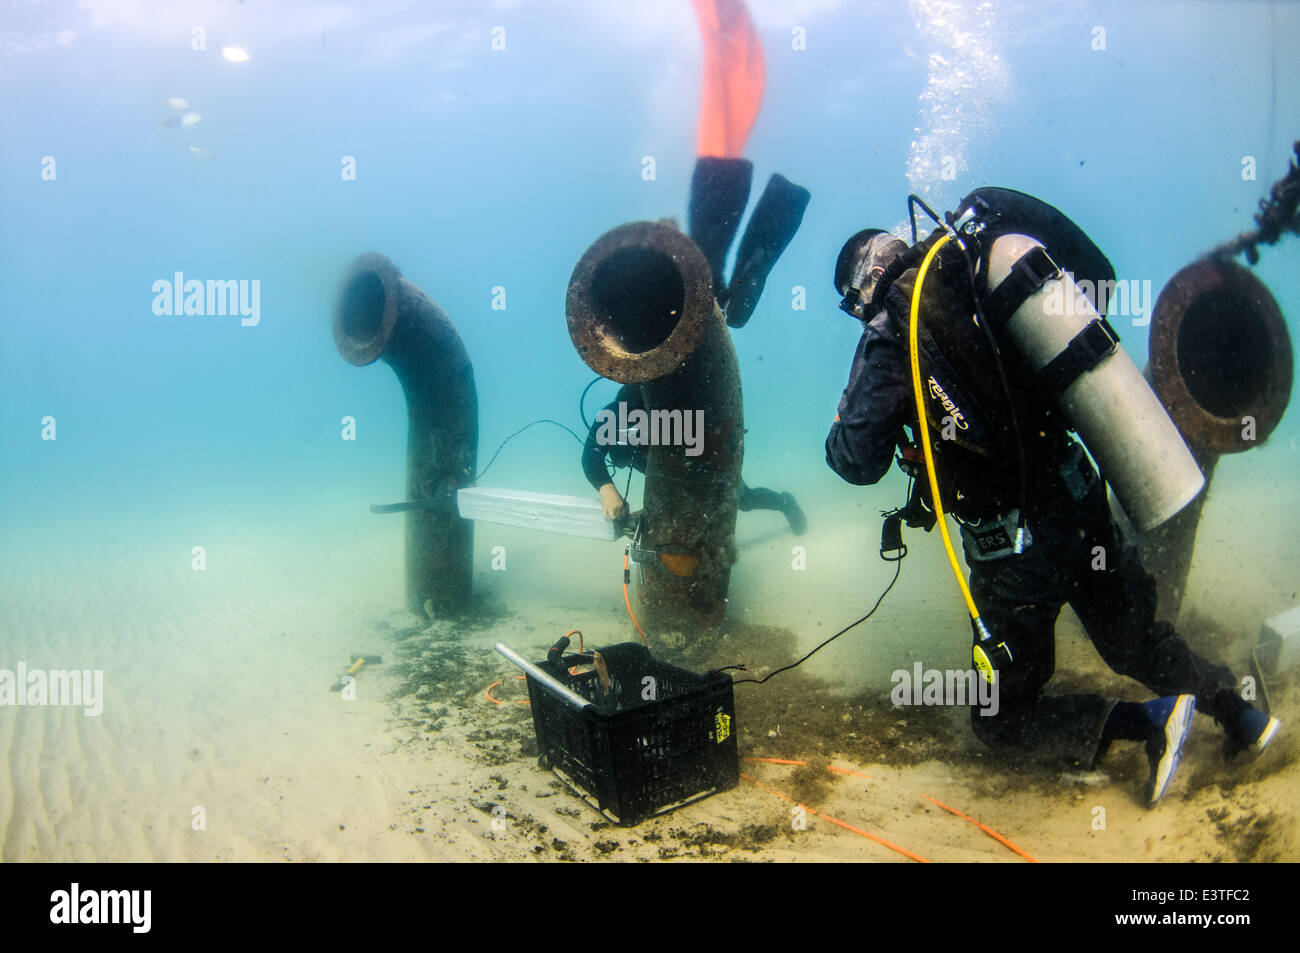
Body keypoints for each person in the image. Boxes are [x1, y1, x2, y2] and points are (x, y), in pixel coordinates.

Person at [825, 212, 1281, 806]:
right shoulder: (979, 273)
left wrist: (843, 423)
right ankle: (1243, 717)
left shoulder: (893, 330)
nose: (859, 312)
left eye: (853, 299)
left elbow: (855, 459)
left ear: (869, 278)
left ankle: (1147, 722)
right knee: (1133, 637)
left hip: (1014, 547)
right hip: (1078, 495)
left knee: (1001, 720)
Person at [584, 381, 807, 536]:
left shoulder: (677, 411)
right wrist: (606, 489)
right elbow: (590, 456)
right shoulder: (613, 414)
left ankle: (785, 502)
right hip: (666, 478)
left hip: (702, 465)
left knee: (743, 500)